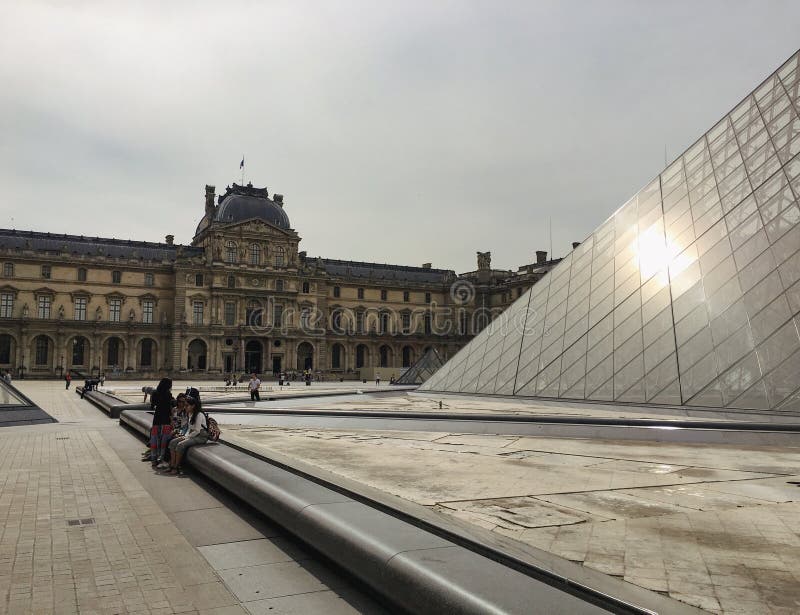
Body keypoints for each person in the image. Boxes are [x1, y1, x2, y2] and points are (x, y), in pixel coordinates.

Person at [166, 395, 208, 475]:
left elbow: (197, 430)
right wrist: (184, 435)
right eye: (185, 405)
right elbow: (189, 428)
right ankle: (172, 464)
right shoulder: (190, 414)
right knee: (172, 442)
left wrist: (186, 437)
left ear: (193, 406)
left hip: (201, 436)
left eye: (187, 405)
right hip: (193, 435)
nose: (185, 407)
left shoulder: (199, 415)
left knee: (180, 445)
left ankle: (176, 467)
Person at [146, 378, 174, 468]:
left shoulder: (155, 393)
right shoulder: (168, 395)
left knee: (155, 439)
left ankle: (154, 460)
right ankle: (161, 459)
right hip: (165, 419)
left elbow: (153, 404)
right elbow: (169, 407)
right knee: (163, 440)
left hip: (157, 418)